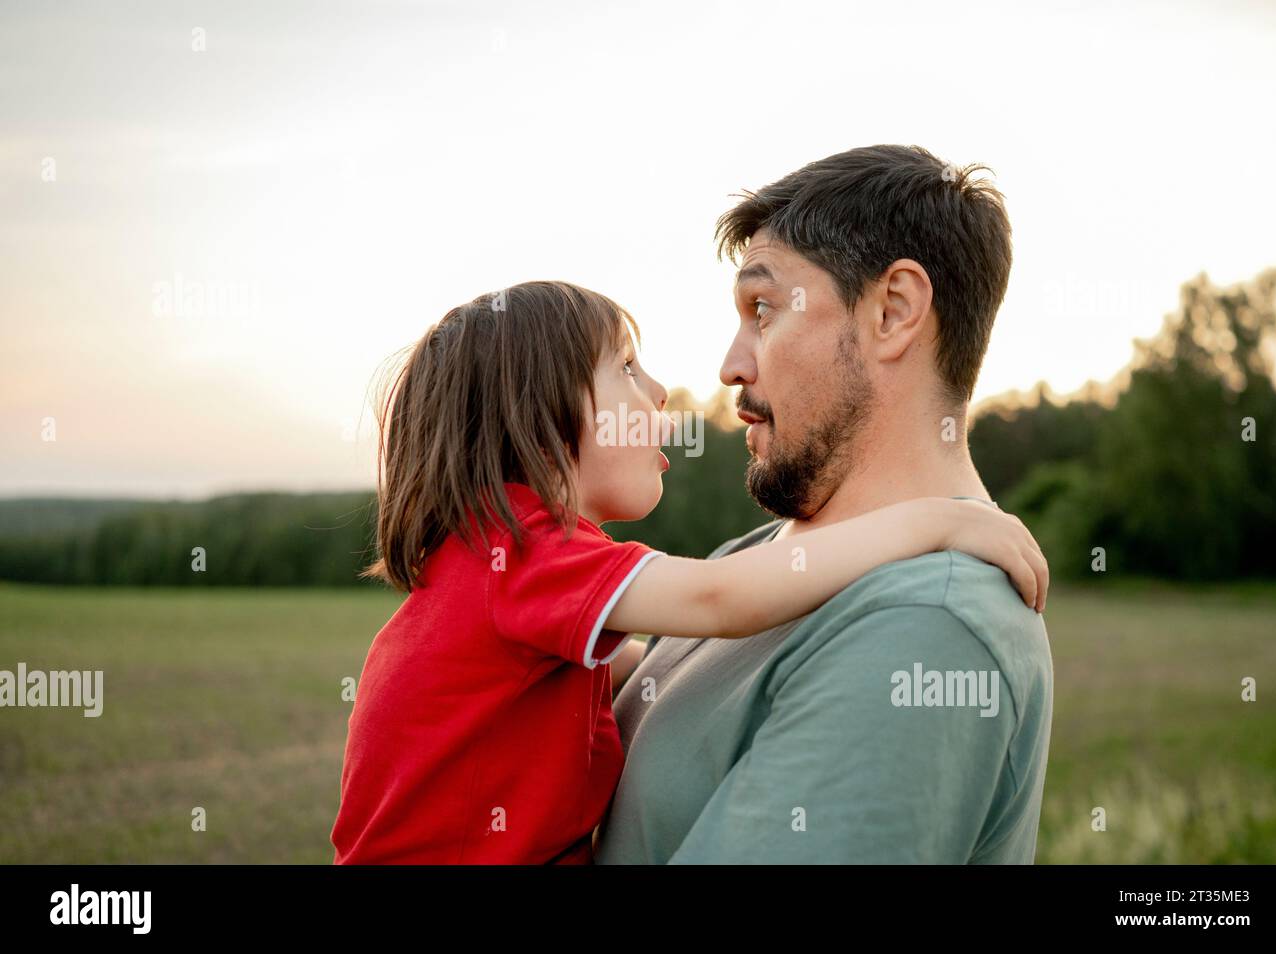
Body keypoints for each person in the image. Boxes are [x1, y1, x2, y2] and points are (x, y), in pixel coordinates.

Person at [330, 279, 1047, 864]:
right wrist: (935, 520)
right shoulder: (520, 550)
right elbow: (718, 600)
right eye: (626, 368)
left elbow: (610, 672)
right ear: (536, 413)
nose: (662, 388)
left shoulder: (492, 565)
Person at [594, 145, 1056, 864]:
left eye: (763, 309)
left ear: (893, 313)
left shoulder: (926, 627)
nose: (731, 365)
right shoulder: (747, 563)